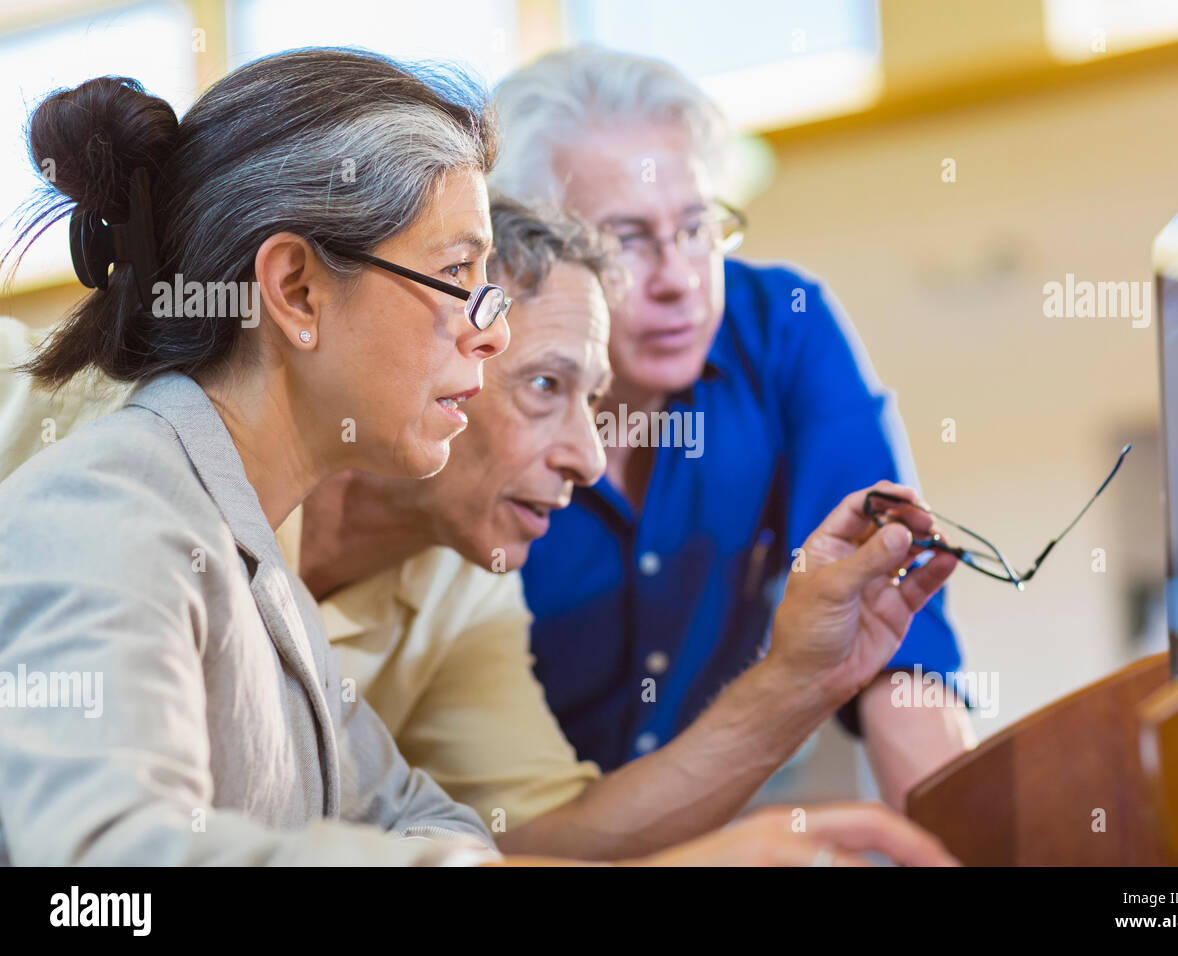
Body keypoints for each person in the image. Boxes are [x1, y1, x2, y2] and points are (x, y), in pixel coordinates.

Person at [0, 54, 956, 866]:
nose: (488, 338)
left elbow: (462, 832)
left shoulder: (276, 594)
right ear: (294, 289)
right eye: (461, 280)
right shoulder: (109, 497)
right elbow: (100, 878)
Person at [490, 47, 978, 806]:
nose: (680, 280)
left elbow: (891, 624)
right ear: (524, 259)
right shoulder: (468, 393)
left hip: (703, 825)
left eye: (696, 228)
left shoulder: (782, 329)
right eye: (626, 241)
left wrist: (966, 842)